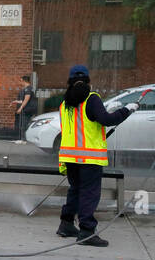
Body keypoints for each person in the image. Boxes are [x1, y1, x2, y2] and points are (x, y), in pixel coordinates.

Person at [57, 64, 137, 246]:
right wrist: (127, 110)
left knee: (75, 190)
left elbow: (79, 125)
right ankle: (86, 232)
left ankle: (66, 224)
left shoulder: (65, 104)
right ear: (88, 81)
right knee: (89, 194)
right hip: (90, 158)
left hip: (70, 157)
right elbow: (107, 120)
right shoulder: (92, 99)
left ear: (69, 82)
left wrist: (108, 108)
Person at [11, 74, 36, 141]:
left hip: (27, 110)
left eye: (21, 81)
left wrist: (20, 108)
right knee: (23, 125)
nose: (20, 82)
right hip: (27, 109)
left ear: (24, 81)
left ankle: (23, 139)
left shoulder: (28, 89)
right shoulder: (28, 89)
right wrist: (16, 101)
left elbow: (26, 100)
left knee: (23, 125)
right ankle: (22, 139)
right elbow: (24, 100)